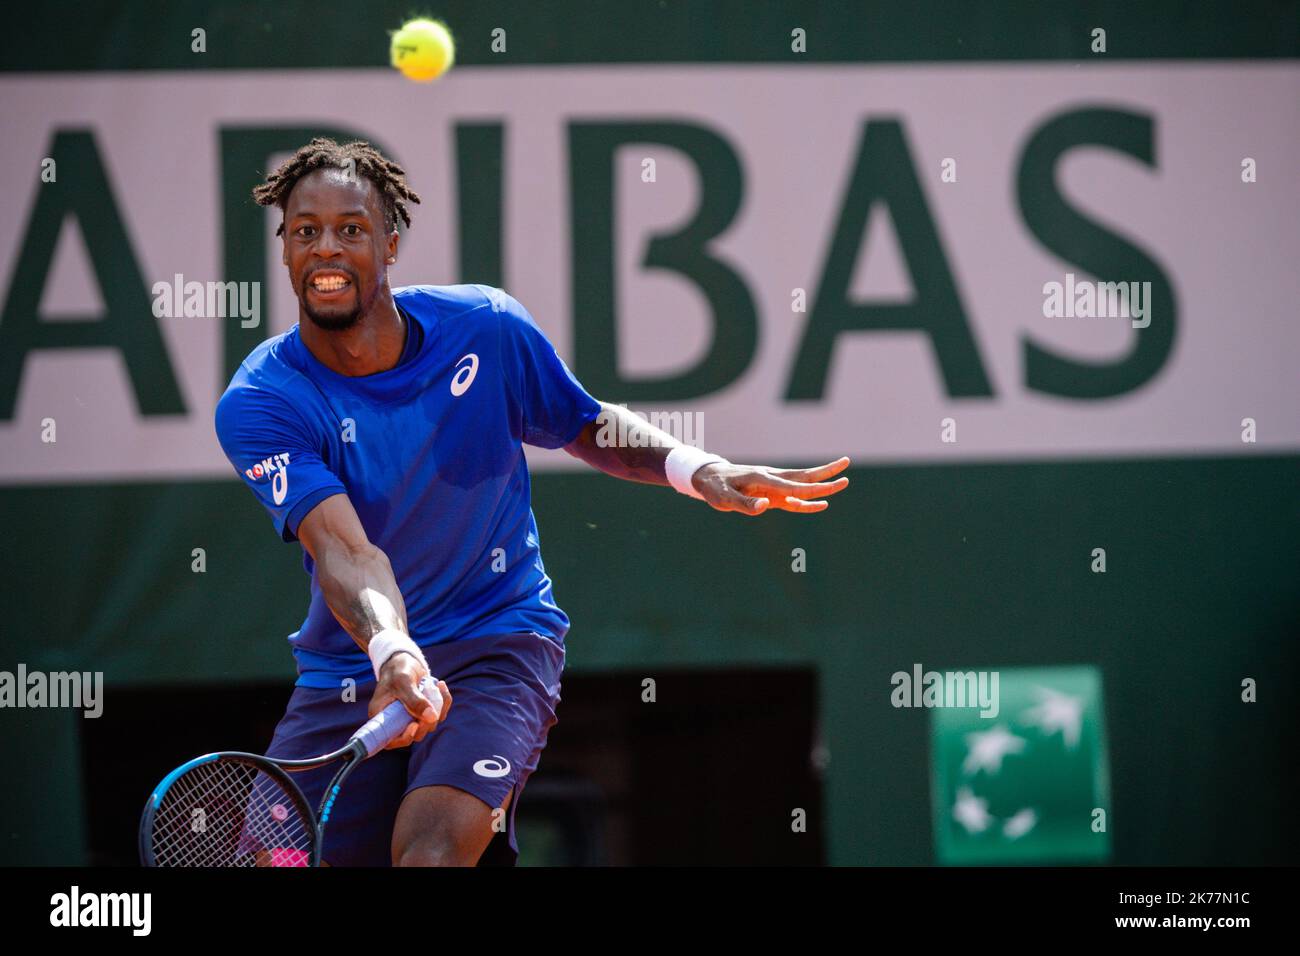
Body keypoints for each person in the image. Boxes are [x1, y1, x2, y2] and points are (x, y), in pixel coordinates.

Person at [215, 137, 850, 866]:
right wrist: (392, 649)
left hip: (497, 644)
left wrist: (695, 468)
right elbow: (345, 549)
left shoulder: (486, 329)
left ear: (389, 246)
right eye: (306, 232)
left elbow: (582, 420)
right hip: (350, 670)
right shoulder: (261, 400)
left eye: (351, 229)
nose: (327, 248)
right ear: (285, 249)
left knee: (427, 857)